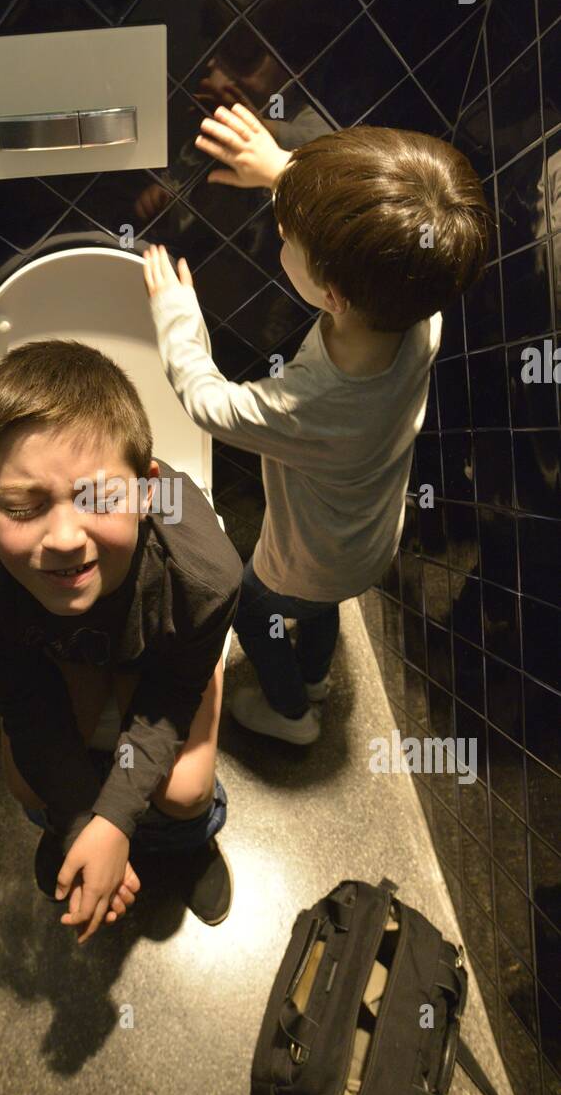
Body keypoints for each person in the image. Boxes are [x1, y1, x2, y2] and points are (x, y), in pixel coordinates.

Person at [144, 107, 494, 744]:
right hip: (369, 544)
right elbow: (379, 243)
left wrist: (176, 320)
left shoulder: (306, 406)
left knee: (257, 614)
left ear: (332, 293)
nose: (281, 235)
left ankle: (292, 713)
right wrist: (280, 169)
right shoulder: (420, 312)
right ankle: (313, 675)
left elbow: (207, 404)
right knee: (320, 606)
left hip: (304, 558)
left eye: (289, 240)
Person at [0, 338, 243, 944]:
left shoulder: (202, 578)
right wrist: (84, 822)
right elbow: (25, 700)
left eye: (101, 498)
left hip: (161, 640)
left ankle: (185, 842)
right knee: (29, 780)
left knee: (184, 789)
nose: (66, 538)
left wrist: (118, 817)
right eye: (23, 506)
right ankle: (67, 832)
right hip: (61, 647)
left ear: (149, 491)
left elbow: (171, 695)